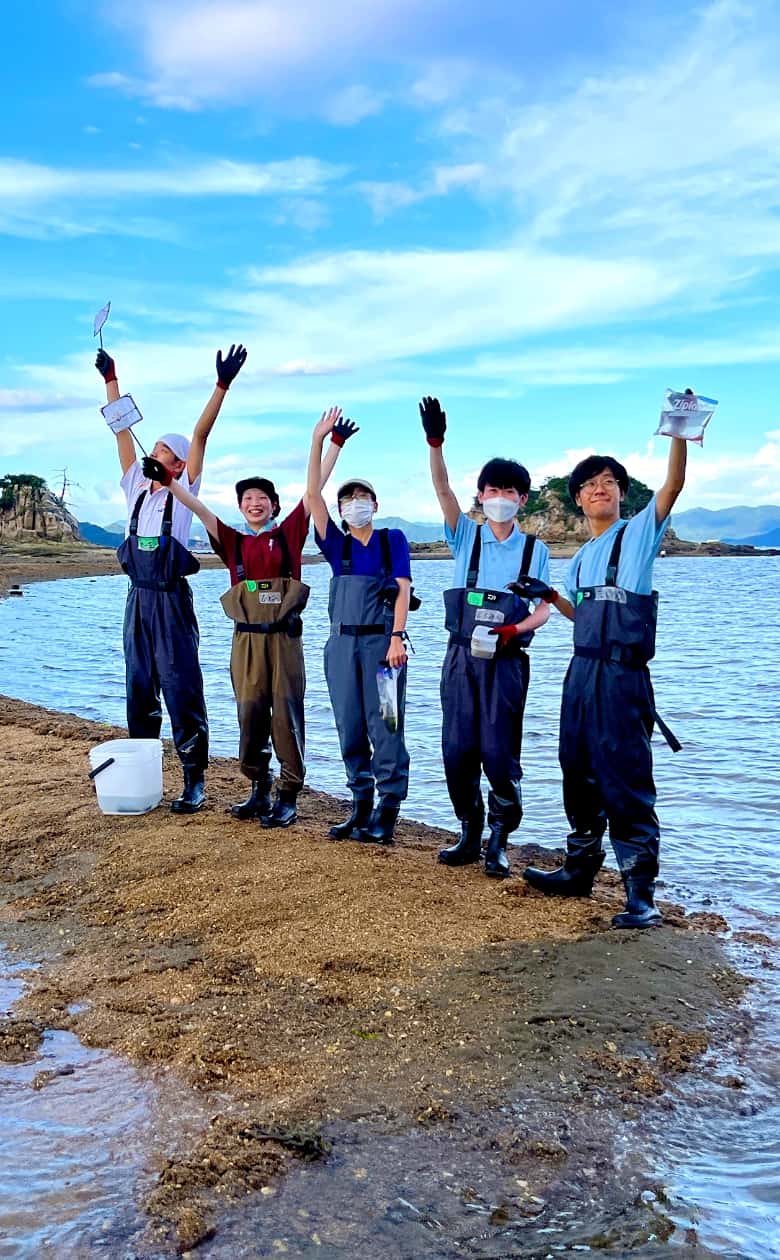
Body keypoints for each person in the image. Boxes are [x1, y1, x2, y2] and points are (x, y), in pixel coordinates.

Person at [144, 409, 357, 828]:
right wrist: (169, 482)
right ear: (241, 508)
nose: (255, 504)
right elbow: (199, 508)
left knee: (286, 714)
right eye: (247, 500)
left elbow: (313, 491)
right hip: (244, 640)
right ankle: (259, 787)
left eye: (262, 499)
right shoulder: (233, 542)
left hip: (284, 639)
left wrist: (327, 443)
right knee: (250, 713)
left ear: (274, 505)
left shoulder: (288, 533)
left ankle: (288, 794)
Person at [515, 430, 689, 928]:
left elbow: (673, 484)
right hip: (582, 671)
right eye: (590, 484)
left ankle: (640, 894)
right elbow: (580, 615)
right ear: (578, 498)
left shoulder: (638, 534)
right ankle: (580, 869)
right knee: (577, 767)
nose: (600, 489)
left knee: (626, 777)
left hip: (622, 675)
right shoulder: (581, 558)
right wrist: (550, 595)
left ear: (621, 493)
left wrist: (678, 434)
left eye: (609, 482)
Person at [96, 342, 247, 813]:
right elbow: (122, 429)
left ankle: (194, 779)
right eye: (157, 446)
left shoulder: (183, 494)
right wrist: (111, 379)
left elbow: (201, 435)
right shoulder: (134, 487)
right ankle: (143, 776)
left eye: (166, 450)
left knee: (182, 688)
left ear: (179, 465)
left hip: (172, 602)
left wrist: (221, 386)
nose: (156, 452)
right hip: (137, 602)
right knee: (139, 687)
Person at [420, 396, 551, 877]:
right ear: (481, 496)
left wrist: (514, 628)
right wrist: (436, 443)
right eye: (493, 489)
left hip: (507, 661)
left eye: (509, 491)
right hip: (460, 658)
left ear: (522, 499)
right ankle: (469, 831)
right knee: (458, 750)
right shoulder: (465, 536)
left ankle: (499, 838)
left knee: (499, 752)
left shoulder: (535, 550)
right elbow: (441, 488)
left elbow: (544, 609)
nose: (500, 496)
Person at [306, 409, 412, 846]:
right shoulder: (337, 545)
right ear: (341, 510)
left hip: (383, 649)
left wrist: (396, 638)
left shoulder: (392, 540)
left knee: (386, 724)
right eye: (348, 499)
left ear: (376, 504)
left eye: (363, 496)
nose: (356, 503)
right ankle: (360, 803)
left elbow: (402, 589)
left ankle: (389, 808)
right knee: (349, 725)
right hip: (340, 649)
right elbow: (311, 494)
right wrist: (320, 441)